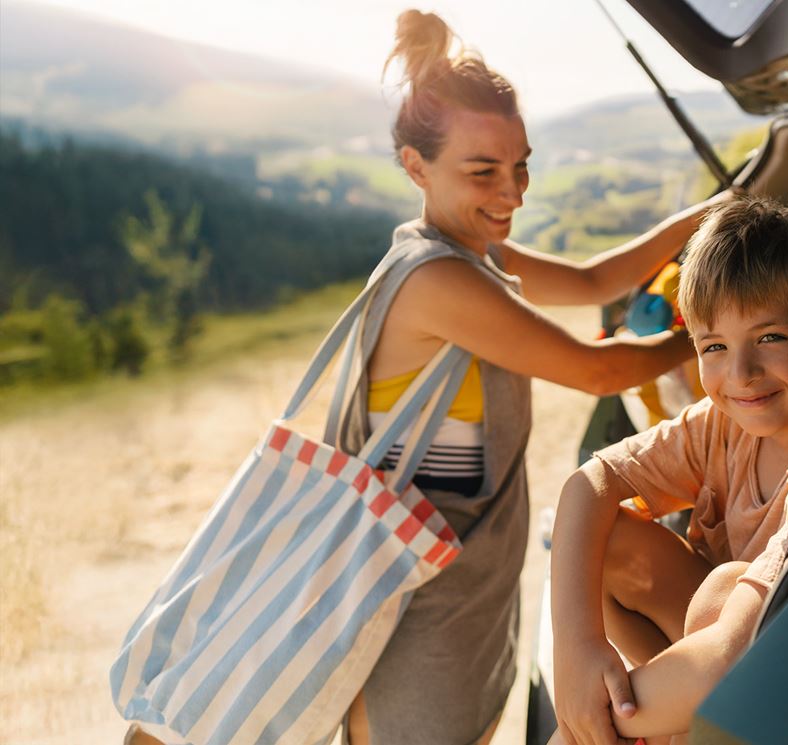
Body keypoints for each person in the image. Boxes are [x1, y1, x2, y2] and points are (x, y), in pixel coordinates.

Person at [126, 8, 733, 745]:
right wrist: (710, 345)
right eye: (483, 171)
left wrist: (710, 214)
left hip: (455, 577)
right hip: (415, 590)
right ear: (416, 167)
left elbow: (593, 276)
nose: (513, 193)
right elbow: (599, 369)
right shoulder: (440, 280)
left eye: (521, 165)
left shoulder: (475, 253)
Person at [549, 197, 788, 744]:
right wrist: (576, 648)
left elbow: (730, 656)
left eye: (770, 338)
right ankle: (668, 720)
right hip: (722, 656)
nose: (741, 374)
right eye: (714, 346)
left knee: (726, 590)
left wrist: (585, 726)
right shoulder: (724, 421)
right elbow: (591, 483)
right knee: (605, 531)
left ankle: (665, 722)